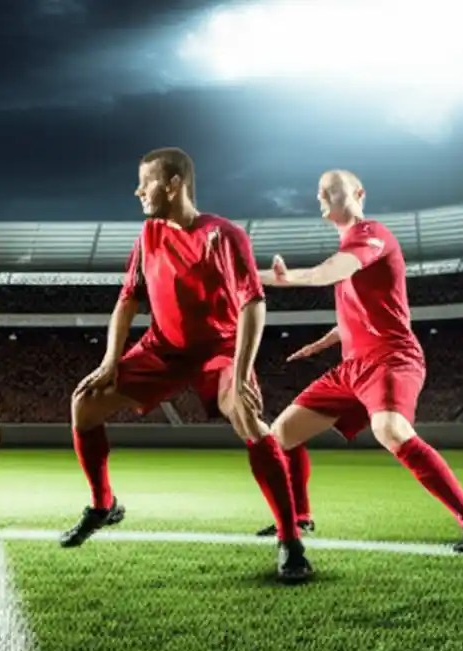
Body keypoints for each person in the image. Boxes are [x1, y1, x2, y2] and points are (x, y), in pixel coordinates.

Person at [59, 147, 312, 583]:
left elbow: (253, 303)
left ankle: (290, 541)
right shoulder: (149, 234)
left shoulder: (224, 234)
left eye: (146, 182)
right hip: (164, 349)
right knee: (84, 403)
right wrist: (110, 362)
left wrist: (241, 365)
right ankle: (104, 505)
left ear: (173, 183)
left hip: (220, 350)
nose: (138, 191)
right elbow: (127, 301)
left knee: (250, 418)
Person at [259, 169, 463, 554]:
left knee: (390, 430)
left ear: (358, 193)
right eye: (319, 191)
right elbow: (357, 316)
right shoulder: (351, 251)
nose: (321, 196)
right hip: (352, 368)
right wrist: (322, 342)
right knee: (280, 436)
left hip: (391, 357)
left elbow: (327, 273)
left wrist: (286, 279)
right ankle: (300, 517)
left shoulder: (372, 234)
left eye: (331, 190)